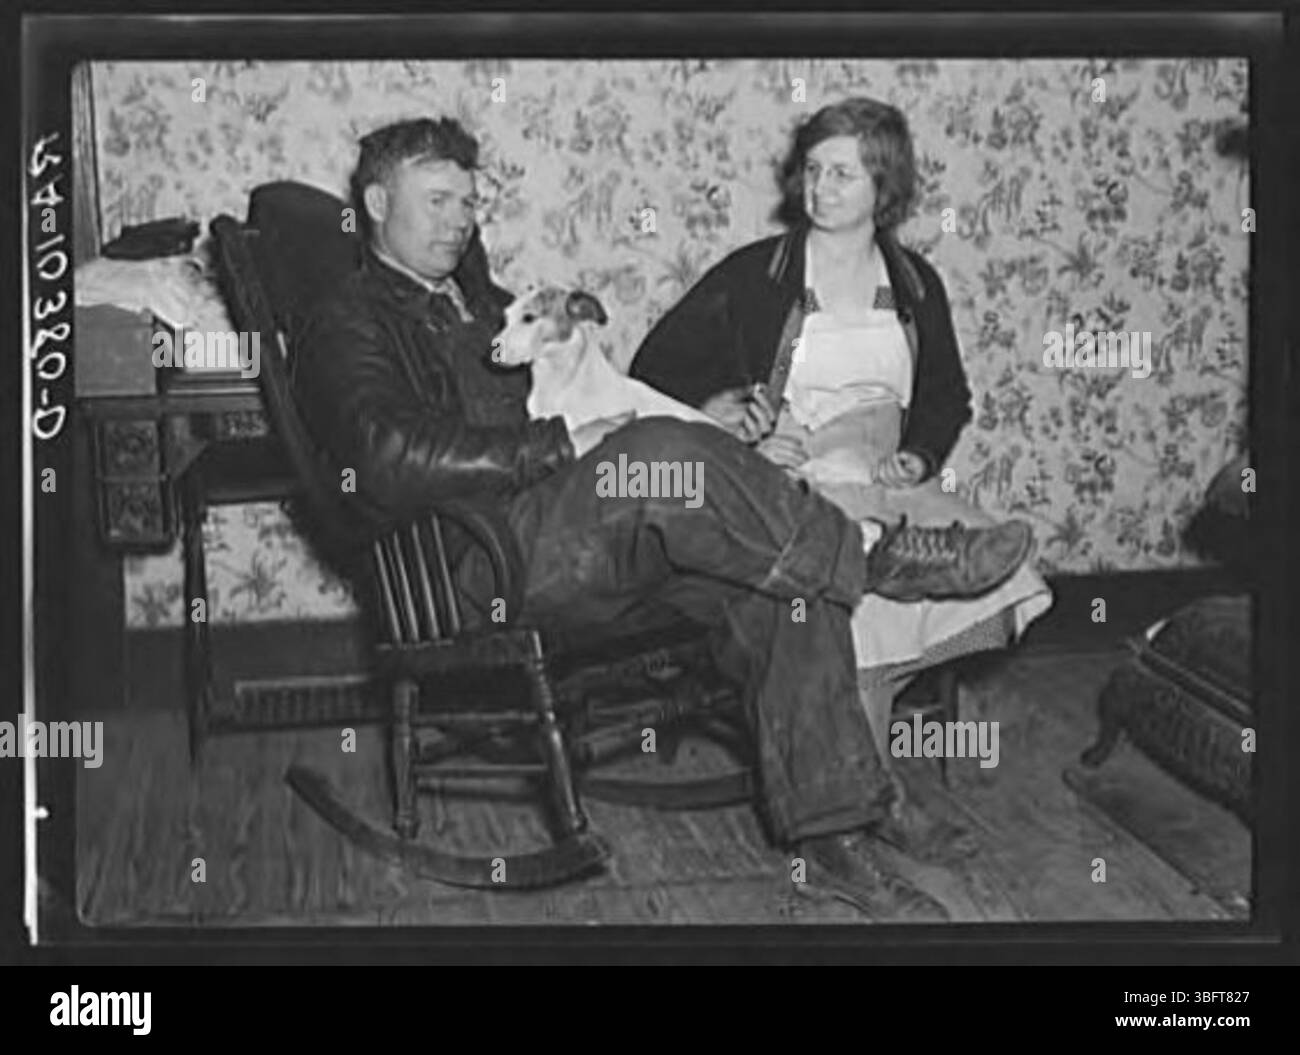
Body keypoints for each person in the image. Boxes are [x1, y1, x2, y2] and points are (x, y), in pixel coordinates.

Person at [293, 116, 1035, 920]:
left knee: (776, 581)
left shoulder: (483, 305)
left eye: (469, 201)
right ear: (374, 202)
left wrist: (611, 406)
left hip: (570, 538)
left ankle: (839, 826)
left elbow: (586, 389)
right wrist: (562, 441)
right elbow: (381, 457)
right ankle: (874, 553)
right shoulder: (349, 319)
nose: (460, 219)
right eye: (437, 201)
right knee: (655, 452)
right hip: (474, 566)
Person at [630, 97, 1054, 855]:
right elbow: (650, 370)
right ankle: (877, 802)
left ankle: (869, 773)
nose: (821, 190)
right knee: (853, 607)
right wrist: (728, 413)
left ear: (883, 187)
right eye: (814, 172)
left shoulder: (916, 282)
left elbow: (947, 395)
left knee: (998, 562)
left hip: (882, 478)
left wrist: (919, 455)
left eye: (843, 174)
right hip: (784, 485)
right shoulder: (755, 275)